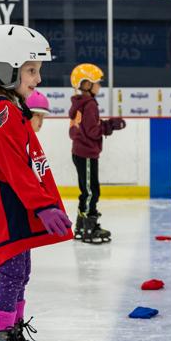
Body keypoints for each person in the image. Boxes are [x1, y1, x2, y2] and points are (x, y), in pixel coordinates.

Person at [0, 24, 74, 341]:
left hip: (18, 209)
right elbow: (14, 167)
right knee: (13, 272)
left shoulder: (11, 109)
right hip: (9, 211)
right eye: (31, 70)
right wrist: (43, 205)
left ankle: (10, 335)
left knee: (20, 272)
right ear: (4, 69)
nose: (38, 78)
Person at [0, 88, 52, 280]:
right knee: (4, 226)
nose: (41, 123)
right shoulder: (9, 131)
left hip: (0, 186)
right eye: (38, 117)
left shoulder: (21, 136)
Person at [68, 64, 125, 244]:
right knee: (91, 191)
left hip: (82, 152)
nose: (99, 86)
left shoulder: (80, 104)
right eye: (97, 82)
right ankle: (87, 226)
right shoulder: (89, 104)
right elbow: (92, 131)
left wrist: (104, 124)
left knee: (88, 190)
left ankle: (81, 224)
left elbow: (77, 130)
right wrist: (110, 125)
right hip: (86, 153)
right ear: (86, 84)